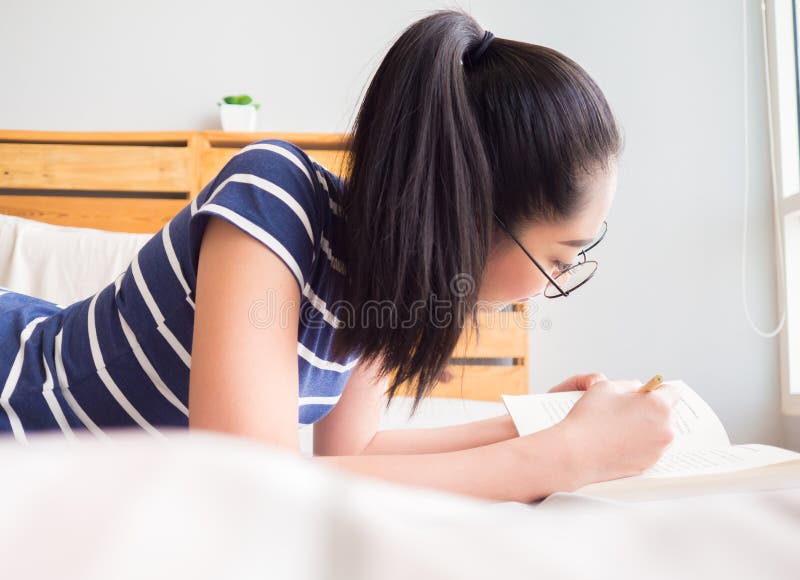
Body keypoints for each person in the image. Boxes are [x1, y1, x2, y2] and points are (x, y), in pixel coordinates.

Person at [0, 9, 679, 503]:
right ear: (474, 214)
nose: (553, 283)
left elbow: (354, 454)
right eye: (561, 259)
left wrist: (529, 424)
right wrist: (561, 458)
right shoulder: (273, 195)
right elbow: (249, 484)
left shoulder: (384, 277)